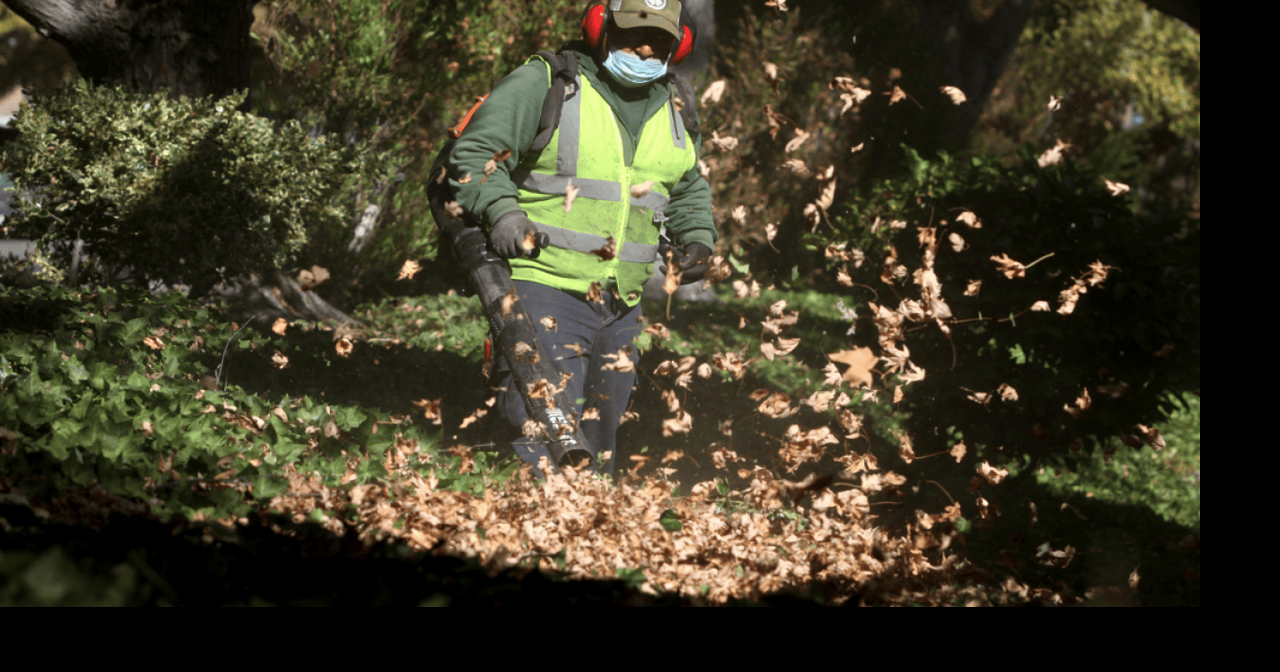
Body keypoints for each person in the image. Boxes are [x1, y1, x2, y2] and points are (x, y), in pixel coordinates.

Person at [444, 0, 717, 479]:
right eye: (633, 34)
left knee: (598, 442)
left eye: (660, 40)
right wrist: (503, 213)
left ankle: (588, 540)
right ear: (600, 28)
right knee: (545, 431)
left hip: (620, 305)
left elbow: (687, 184)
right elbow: (474, 153)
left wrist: (696, 235)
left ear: (679, 46)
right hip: (541, 285)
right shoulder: (549, 83)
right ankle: (529, 538)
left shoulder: (675, 104)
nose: (646, 48)